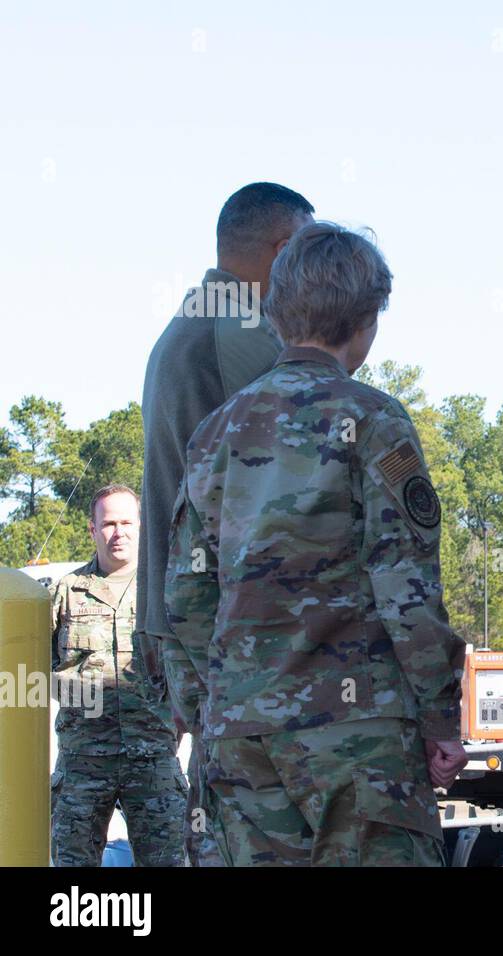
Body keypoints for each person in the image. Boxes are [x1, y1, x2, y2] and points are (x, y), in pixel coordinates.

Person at [164, 222, 466, 866]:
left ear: (274, 312)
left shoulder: (216, 433)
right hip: (356, 738)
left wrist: (212, 707)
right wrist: (441, 719)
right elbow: (407, 592)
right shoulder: (375, 420)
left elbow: (186, 597)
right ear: (367, 319)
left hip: (243, 739)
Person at [139, 181, 314, 866]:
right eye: (306, 247)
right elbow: (304, 464)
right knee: (255, 822)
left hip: (187, 615)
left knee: (228, 806)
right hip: (224, 621)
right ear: (281, 247)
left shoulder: (197, 318)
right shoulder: (242, 331)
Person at [50, 485, 186, 867]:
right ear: (92, 529)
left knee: (171, 862)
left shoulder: (164, 590)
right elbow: (33, 670)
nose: (118, 531)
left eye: (127, 522)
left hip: (154, 759)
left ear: (141, 527)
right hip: (82, 764)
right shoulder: (66, 593)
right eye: (108, 523)